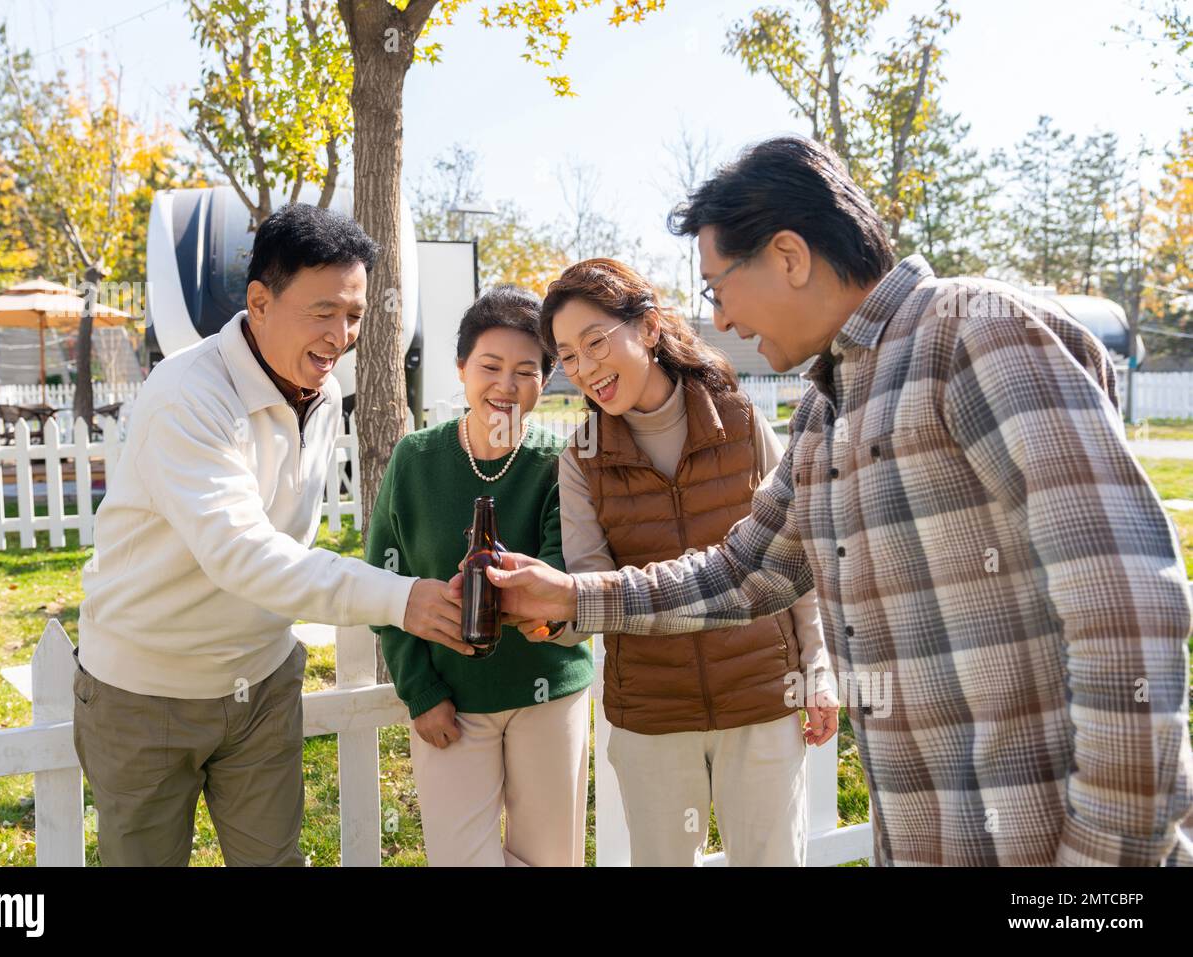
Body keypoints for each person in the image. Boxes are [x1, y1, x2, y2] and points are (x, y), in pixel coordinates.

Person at [456, 135, 1193, 867]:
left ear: (788, 255)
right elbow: (743, 573)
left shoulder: (972, 334)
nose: (722, 322)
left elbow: (1126, 610)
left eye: (719, 288)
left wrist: (1105, 868)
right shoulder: (822, 412)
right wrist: (573, 593)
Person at [73, 203, 469, 867]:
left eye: (354, 314)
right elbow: (242, 553)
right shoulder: (188, 394)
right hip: (143, 694)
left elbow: (284, 544)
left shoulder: (318, 391)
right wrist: (402, 599)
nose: (342, 335)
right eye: (323, 311)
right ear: (260, 301)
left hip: (259, 685)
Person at [536, 256, 834, 866]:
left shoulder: (743, 420)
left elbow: (793, 555)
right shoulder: (581, 458)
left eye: (595, 342)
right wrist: (553, 608)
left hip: (760, 698)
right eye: (568, 356)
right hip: (654, 711)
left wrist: (818, 667)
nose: (586, 368)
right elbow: (591, 584)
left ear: (646, 327)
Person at [366, 284, 594, 867]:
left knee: (551, 857)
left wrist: (542, 609)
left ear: (546, 379)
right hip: (452, 703)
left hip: (547, 691)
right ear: (462, 367)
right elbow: (383, 583)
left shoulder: (558, 463)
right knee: (460, 857)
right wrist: (421, 691)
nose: (507, 385)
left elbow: (565, 571)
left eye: (527, 370)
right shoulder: (415, 459)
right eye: (490, 366)